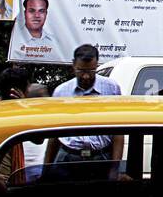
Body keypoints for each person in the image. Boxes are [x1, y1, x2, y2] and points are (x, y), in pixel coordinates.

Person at [45, 44, 126, 181]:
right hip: (68, 159)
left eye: (91, 70)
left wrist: (114, 168)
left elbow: (118, 132)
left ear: (96, 65)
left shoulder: (111, 89)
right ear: (73, 66)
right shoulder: (61, 92)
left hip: (100, 158)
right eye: (81, 71)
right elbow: (54, 135)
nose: (86, 76)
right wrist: (46, 169)